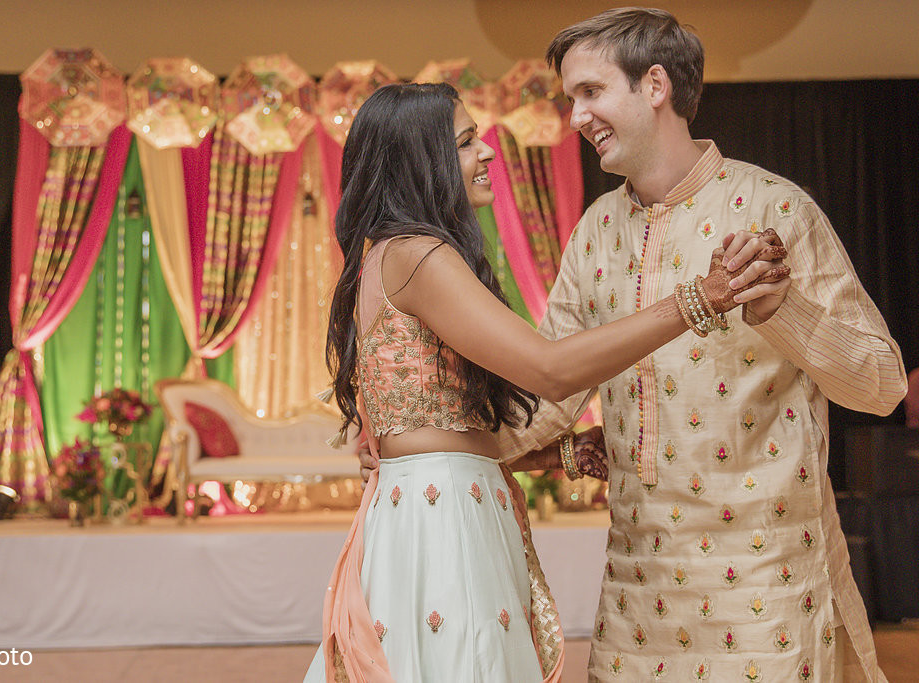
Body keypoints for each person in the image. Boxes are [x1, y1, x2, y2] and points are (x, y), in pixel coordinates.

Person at [306, 82, 789, 682]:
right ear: (419, 164)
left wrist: (556, 453)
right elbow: (551, 370)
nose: (486, 154)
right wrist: (698, 299)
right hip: (443, 515)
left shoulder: (393, 253)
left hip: (441, 501)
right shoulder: (418, 253)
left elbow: (436, 420)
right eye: (464, 143)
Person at [492, 8, 905, 682]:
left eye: (590, 93)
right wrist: (427, 438)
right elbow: (547, 394)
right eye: (570, 99)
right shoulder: (594, 230)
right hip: (636, 589)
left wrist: (785, 310)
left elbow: (882, 385)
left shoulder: (776, 208)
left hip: (766, 589)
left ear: (655, 85)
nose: (574, 118)